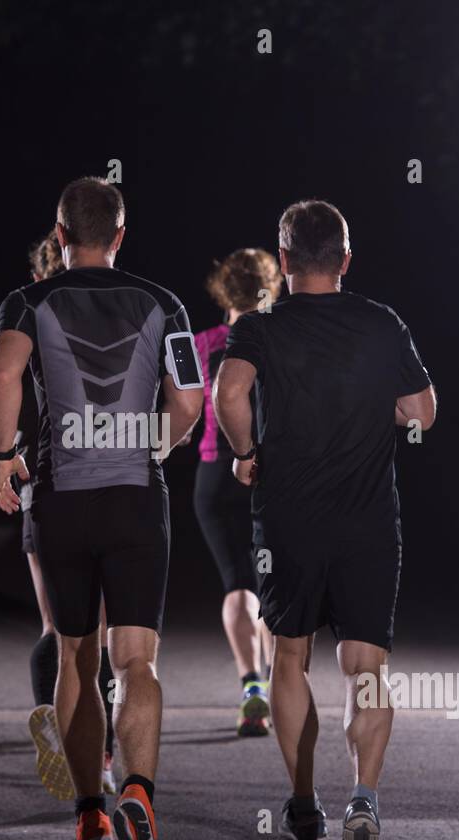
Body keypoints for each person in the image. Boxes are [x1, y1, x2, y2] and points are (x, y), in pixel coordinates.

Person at [0, 177, 202, 840]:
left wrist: (0, 454)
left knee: (76, 655)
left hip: (61, 498)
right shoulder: (165, 302)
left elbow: (2, 376)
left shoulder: (28, 299)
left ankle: (88, 818)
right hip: (136, 495)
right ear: (120, 236)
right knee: (137, 659)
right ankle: (137, 787)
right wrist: (152, 442)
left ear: (59, 235)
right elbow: (191, 400)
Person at [213, 200, 435, 840]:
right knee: (366, 668)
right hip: (368, 520)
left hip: (288, 518)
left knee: (289, 657)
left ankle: (304, 804)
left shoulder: (259, 326)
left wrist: (246, 450)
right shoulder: (381, 322)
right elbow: (423, 410)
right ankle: (364, 797)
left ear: (283, 262)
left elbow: (228, 395)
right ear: (345, 259)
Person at [0, 232, 117, 800]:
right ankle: (100, 759)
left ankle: (53, 720)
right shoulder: (105, 317)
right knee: (98, 637)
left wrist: (6, 445)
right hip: (109, 482)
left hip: (43, 488)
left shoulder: (26, 316)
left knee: (57, 629)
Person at [194, 249, 281, 736]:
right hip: (268, 472)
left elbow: (180, 412)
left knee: (237, 583)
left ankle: (252, 686)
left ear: (222, 290)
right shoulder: (281, 341)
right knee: (271, 587)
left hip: (213, 472)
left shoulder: (197, 342)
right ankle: (273, 685)